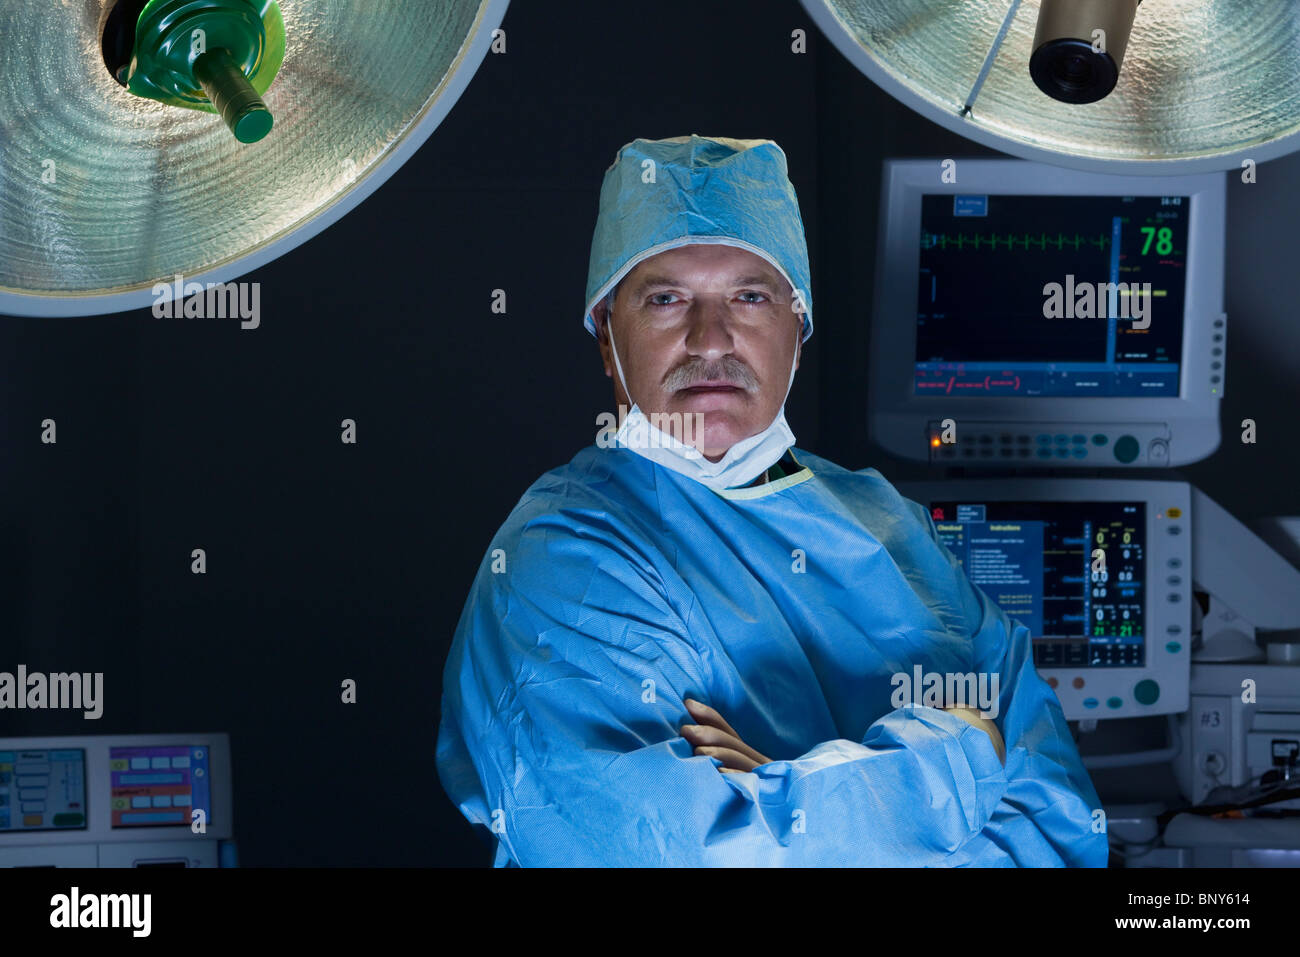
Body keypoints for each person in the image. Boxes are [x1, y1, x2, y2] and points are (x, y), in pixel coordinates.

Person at [436, 134, 1108, 866]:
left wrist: (787, 799)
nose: (710, 337)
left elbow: (1061, 825)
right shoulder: (564, 560)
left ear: (798, 325)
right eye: (666, 298)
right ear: (607, 335)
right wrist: (960, 752)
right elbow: (669, 852)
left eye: (750, 296)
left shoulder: (888, 527)